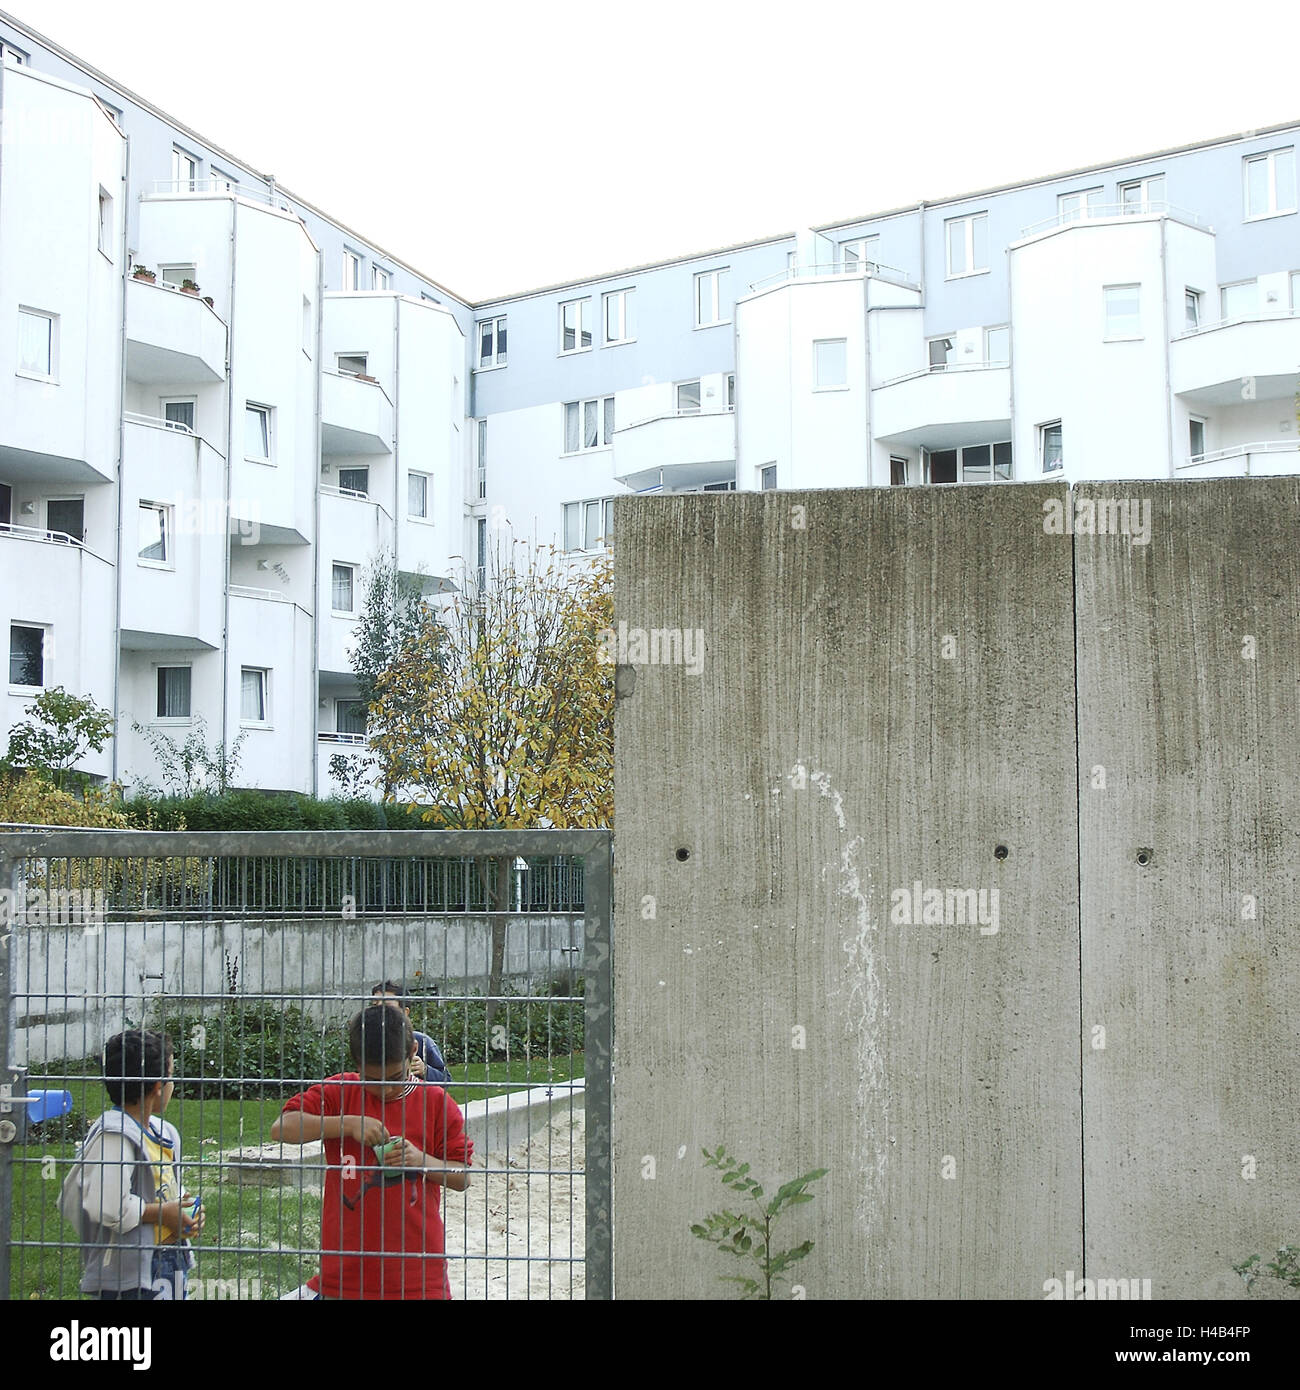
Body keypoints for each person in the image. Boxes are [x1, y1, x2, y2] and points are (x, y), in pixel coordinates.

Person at [270, 1003, 472, 1300]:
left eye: (394, 1077)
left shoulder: (436, 1103)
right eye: (372, 1080)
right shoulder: (341, 1092)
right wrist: (347, 1123)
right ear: (356, 1064)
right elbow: (282, 1128)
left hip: (416, 1278)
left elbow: (462, 1177)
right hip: (345, 1273)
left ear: (413, 1051)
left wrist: (421, 1160)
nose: (385, 1090)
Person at [59, 1029, 204, 1299]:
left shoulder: (165, 1133)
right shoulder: (113, 1137)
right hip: (129, 1274)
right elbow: (108, 1207)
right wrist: (162, 1213)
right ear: (159, 1086)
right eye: (171, 1075)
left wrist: (183, 1208)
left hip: (170, 1260)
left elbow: (164, 1185)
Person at [371, 980, 452, 1085]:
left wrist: (425, 1071)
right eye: (375, 1005)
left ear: (405, 1012)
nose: (379, 1010)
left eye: (386, 1005)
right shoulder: (368, 1040)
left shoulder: (422, 1042)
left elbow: (446, 1080)